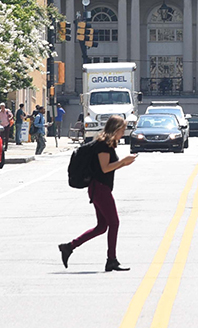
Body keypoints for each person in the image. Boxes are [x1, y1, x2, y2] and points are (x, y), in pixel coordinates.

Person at [59, 116, 138, 272]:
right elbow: (105, 168)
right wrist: (123, 161)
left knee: (102, 226)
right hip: (100, 189)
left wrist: (123, 163)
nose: (123, 133)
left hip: (100, 188)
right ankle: (111, 260)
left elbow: (108, 168)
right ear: (115, 129)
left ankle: (69, 247)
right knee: (114, 223)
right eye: (122, 130)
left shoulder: (107, 144)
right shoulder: (103, 145)